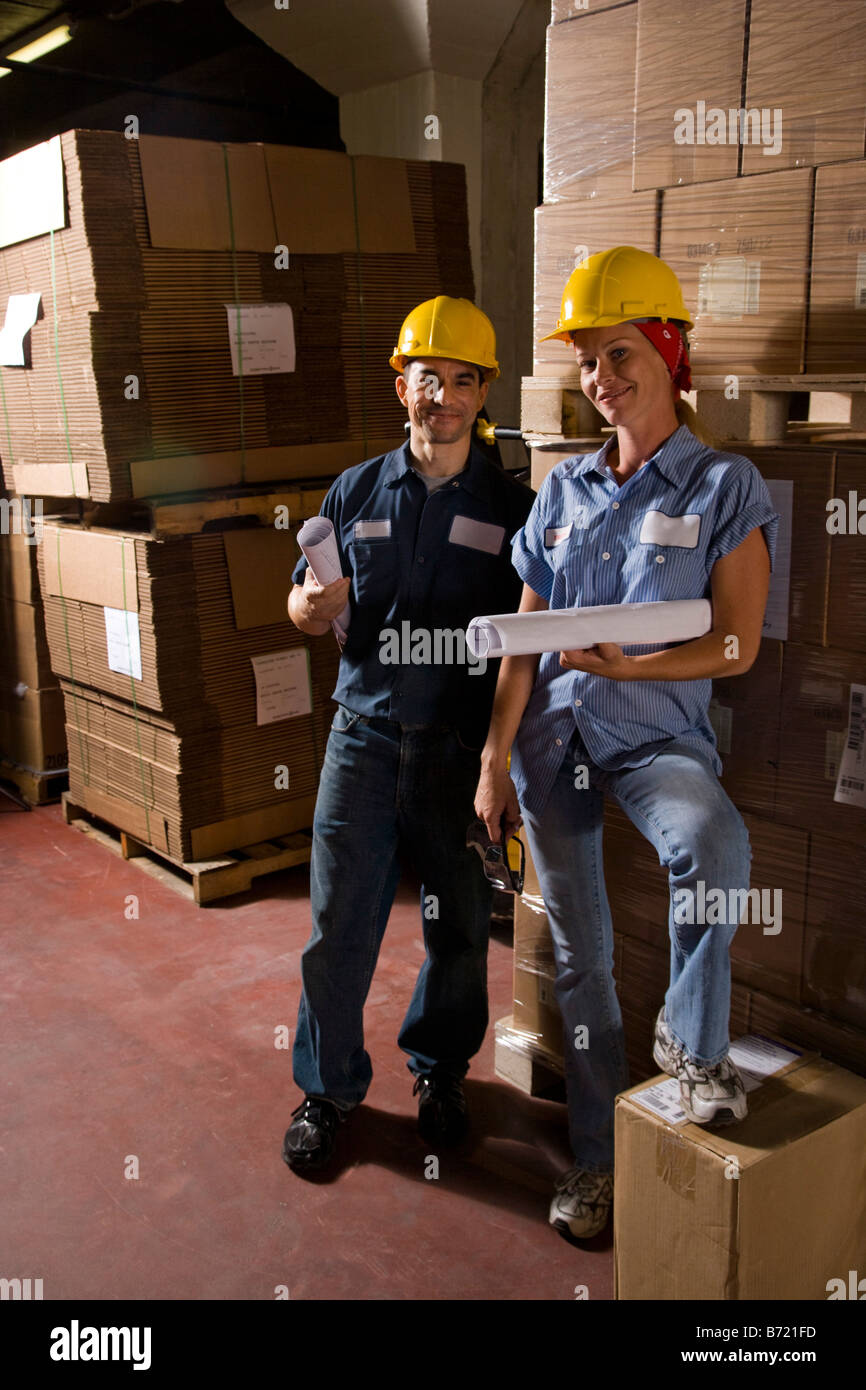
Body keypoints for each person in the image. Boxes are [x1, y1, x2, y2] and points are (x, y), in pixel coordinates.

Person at [474, 247, 779, 1241]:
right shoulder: (560, 492)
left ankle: (690, 1050)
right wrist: (492, 760)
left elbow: (732, 642)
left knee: (714, 845)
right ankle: (601, 1165)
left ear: (666, 348)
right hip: (552, 743)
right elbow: (521, 642)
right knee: (580, 961)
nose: (599, 380)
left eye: (616, 354)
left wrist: (625, 667)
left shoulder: (722, 483)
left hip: (656, 738)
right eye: (585, 362)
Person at [282, 296, 534, 1172]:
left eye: (464, 381)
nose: (447, 398)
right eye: (431, 378)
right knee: (338, 924)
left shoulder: (514, 507)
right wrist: (310, 607)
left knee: (459, 925)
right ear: (404, 386)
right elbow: (302, 606)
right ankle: (326, 1090)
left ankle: (441, 1073)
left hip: (459, 749)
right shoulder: (354, 490)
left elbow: (531, 637)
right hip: (362, 737)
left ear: (482, 393)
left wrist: (502, 762)